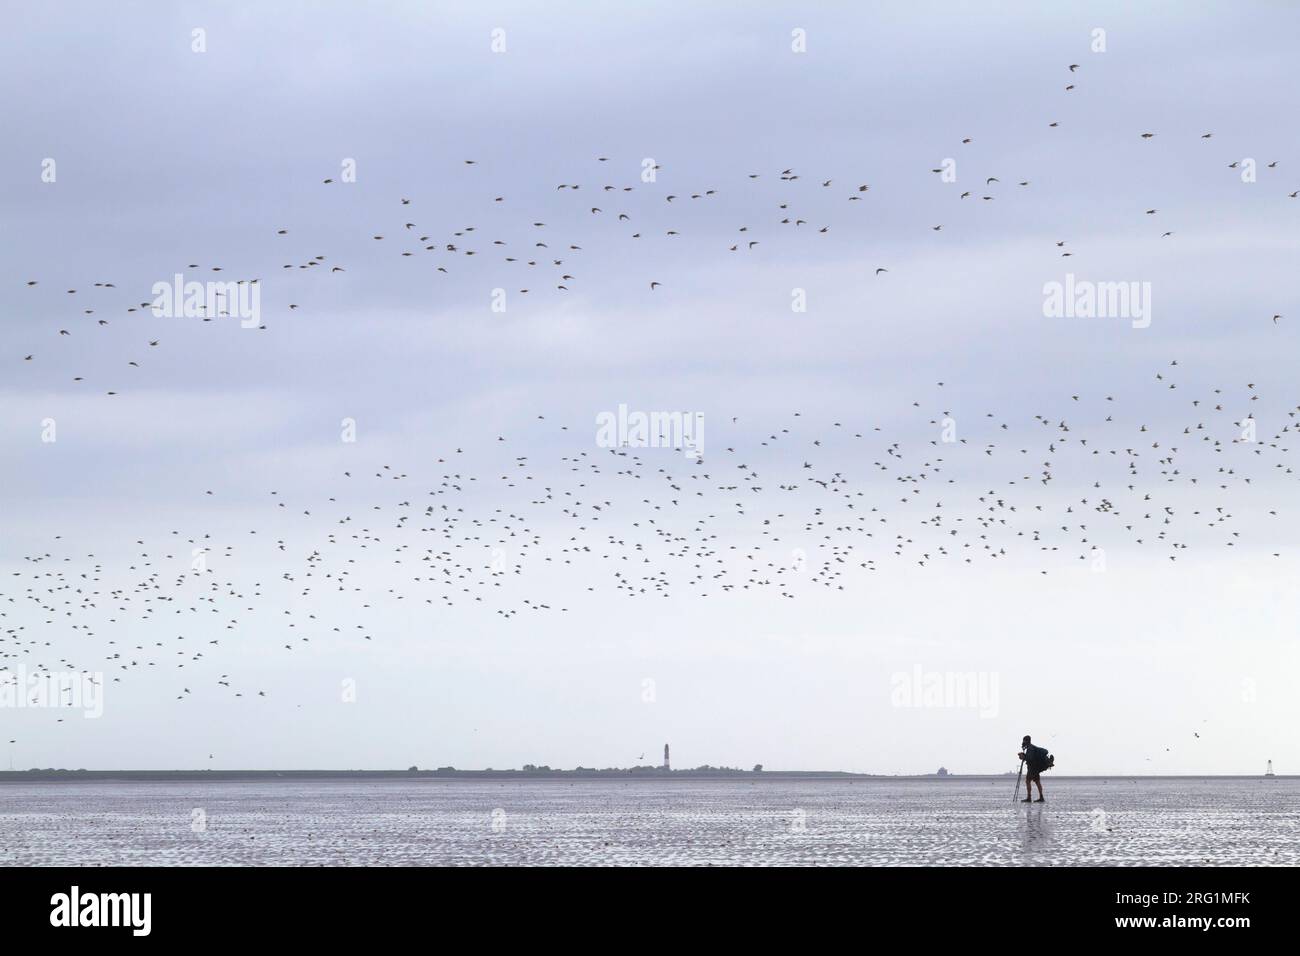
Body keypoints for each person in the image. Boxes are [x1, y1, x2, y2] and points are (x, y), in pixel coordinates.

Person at [1018, 735, 1047, 802]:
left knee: (1028, 781)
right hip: (1035, 768)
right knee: (1037, 782)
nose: (1023, 742)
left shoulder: (1030, 748)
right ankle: (1041, 797)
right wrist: (1024, 755)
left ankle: (1029, 797)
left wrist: (1023, 757)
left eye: (1024, 740)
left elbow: (1030, 758)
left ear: (1026, 741)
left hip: (1032, 768)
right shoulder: (1031, 747)